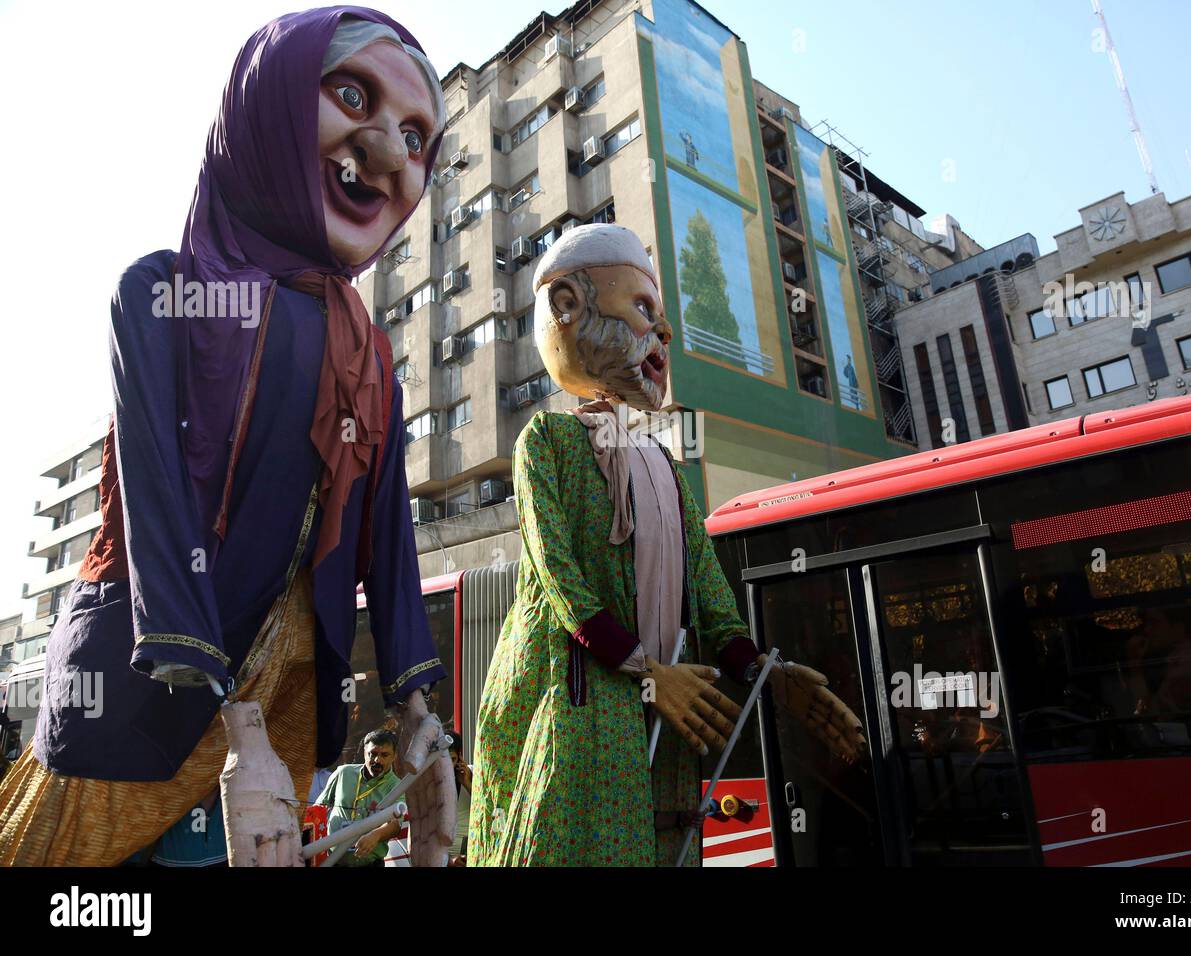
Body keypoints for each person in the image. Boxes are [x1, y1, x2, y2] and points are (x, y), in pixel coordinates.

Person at [0, 7, 451, 866]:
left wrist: (417, 707)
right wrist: (222, 703)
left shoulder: (371, 352)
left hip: (279, 708)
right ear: (265, 107)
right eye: (351, 94)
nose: (391, 152)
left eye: (418, 136)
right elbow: (155, 505)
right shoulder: (158, 292)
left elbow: (386, 543)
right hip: (135, 702)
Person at [468, 224, 868, 867]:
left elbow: (710, 596)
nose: (667, 335)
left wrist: (765, 672)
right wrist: (646, 674)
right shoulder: (546, 441)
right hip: (576, 715)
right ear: (568, 305)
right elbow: (558, 576)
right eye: (643, 312)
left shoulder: (665, 466)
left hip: (667, 728)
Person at [315, 730, 405, 868]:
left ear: (394, 756)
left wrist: (376, 835)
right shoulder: (343, 773)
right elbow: (318, 808)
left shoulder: (397, 786)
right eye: (373, 754)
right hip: (332, 861)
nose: (377, 760)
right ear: (364, 752)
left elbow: (395, 825)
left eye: (384, 755)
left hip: (370, 864)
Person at [446, 731, 472, 866]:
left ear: (460, 758)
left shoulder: (472, 774)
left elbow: (491, 811)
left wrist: (467, 784)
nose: (447, 766)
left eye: (452, 759)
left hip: (470, 855)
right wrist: (448, 862)